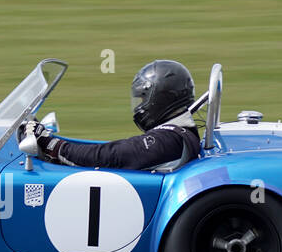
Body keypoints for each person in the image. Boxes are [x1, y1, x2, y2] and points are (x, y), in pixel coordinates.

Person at [20, 60, 201, 170]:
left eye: (142, 99)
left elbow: (109, 156)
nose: (139, 107)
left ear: (160, 98)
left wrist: (53, 145)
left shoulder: (168, 140)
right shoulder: (179, 133)